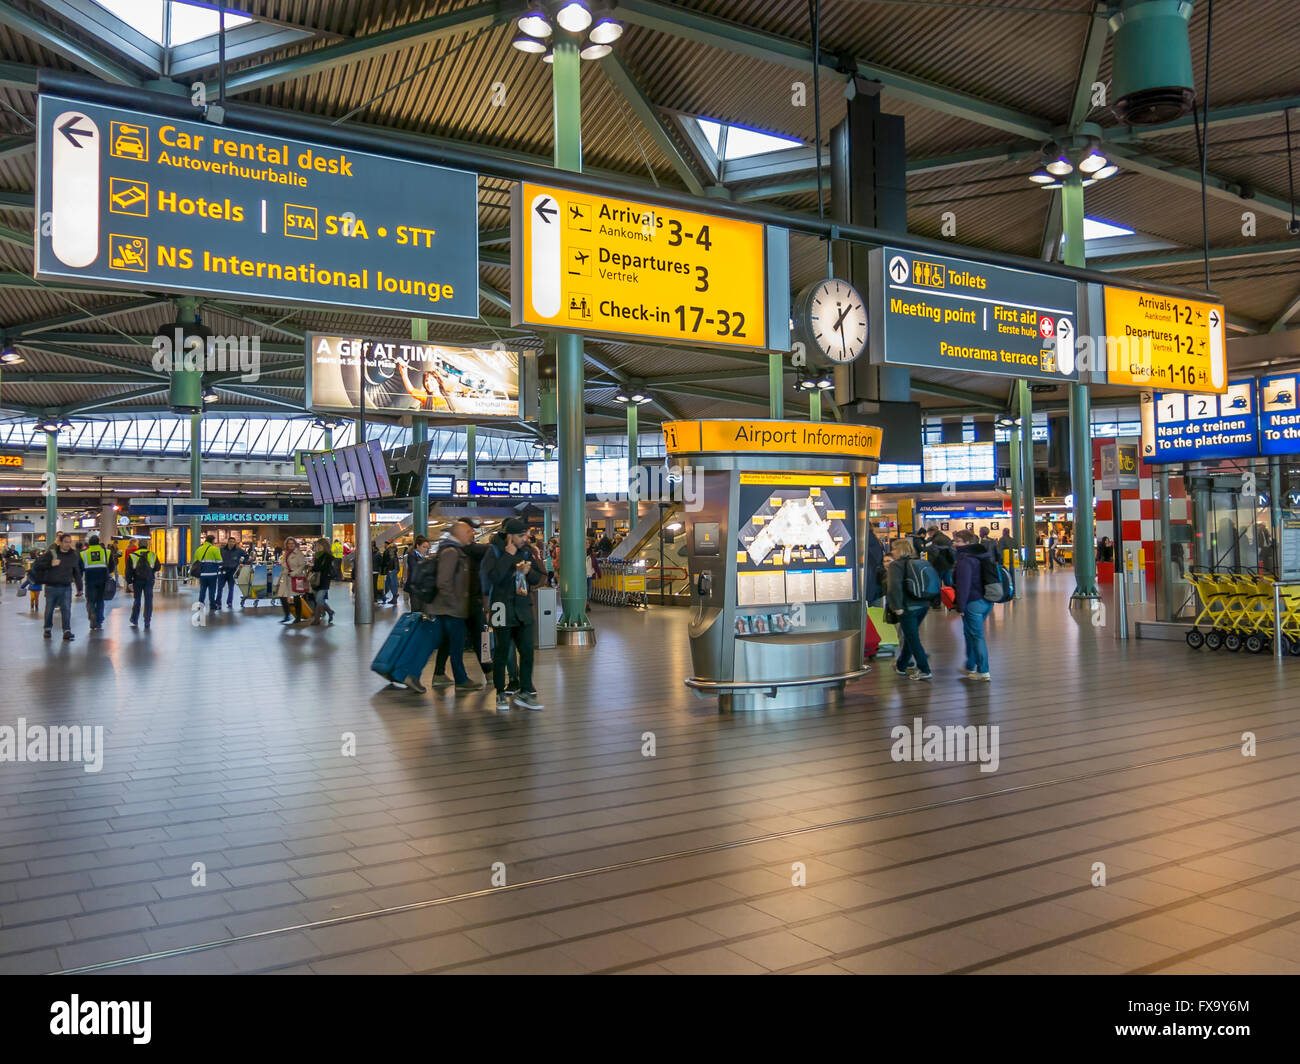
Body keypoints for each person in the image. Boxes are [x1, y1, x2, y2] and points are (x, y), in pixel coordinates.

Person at [413, 520, 483, 694]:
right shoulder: (451, 551)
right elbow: (444, 581)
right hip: (449, 609)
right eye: (469, 532)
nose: (472, 535)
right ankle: (460, 679)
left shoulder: (451, 549)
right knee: (456, 645)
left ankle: (425, 674)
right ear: (459, 532)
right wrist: (455, 603)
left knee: (441, 644)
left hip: (445, 608)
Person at [485, 518, 544, 711]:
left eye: (525, 535)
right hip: (502, 607)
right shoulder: (493, 551)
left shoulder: (526, 552)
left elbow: (538, 577)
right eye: (521, 536)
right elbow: (493, 578)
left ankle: (525, 690)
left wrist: (527, 572)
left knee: (527, 651)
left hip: (523, 608)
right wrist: (508, 557)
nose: (525, 539)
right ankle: (500, 692)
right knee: (502, 653)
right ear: (509, 536)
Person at [884, 539, 933, 681]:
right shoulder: (918, 563)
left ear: (899, 550)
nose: (892, 551)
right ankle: (901, 665)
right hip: (923, 605)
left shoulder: (896, 566)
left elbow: (894, 587)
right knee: (910, 637)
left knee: (912, 638)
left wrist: (897, 607)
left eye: (893, 549)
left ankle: (925, 669)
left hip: (907, 607)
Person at [952, 529, 993, 681]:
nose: (955, 544)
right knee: (971, 634)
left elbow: (964, 584)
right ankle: (970, 664)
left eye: (958, 541)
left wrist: (961, 607)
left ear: (967, 543)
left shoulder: (965, 559)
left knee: (976, 636)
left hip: (972, 602)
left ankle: (983, 670)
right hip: (986, 600)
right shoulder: (981, 555)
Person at [32, 531, 81, 640]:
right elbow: (37, 565)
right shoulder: (52, 553)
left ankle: (67, 631)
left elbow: (76, 571)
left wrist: (79, 587)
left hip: (66, 587)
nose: (68, 544)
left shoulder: (73, 555)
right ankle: (47, 629)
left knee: (66, 610)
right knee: (49, 610)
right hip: (51, 587)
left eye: (70, 542)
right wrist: (50, 564)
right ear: (60, 542)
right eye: (66, 542)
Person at [79, 534, 112, 632]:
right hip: (102, 578)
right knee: (100, 600)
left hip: (90, 578)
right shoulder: (107, 552)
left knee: (90, 600)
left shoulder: (83, 553)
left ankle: (92, 614)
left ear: (89, 543)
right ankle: (99, 620)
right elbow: (111, 566)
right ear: (98, 542)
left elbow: (80, 567)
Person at [127, 542, 161, 629]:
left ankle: (134, 619)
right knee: (148, 600)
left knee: (137, 600)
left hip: (137, 581)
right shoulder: (152, 555)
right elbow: (158, 567)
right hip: (149, 580)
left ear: (138, 546)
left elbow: (128, 570)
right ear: (147, 546)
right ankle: (147, 621)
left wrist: (129, 582)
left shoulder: (132, 556)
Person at [276, 537, 310, 623]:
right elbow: (283, 567)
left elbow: (302, 565)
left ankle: (298, 616)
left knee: (296, 596)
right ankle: (287, 614)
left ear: (295, 544)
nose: (291, 545)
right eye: (289, 544)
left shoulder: (298, 554)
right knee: (282, 595)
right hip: (285, 577)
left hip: (296, 577)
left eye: (292, 543)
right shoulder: (285, 554)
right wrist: (279, 580)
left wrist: (294, 573)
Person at [307, 538, 336, 626]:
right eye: (317, 546)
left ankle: (316, 619)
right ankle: (330, 612)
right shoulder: (316, 556)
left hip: (324, 581)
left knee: (319, 600)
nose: (318, 547)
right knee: (320, 600)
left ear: (325, 546)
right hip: (316, 581)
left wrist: (313, 567)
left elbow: (323, 569)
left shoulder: (328, 557)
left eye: (320, 546)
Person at [194, 532, 223, 611]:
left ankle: (200, 604)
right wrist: (220, 570)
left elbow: (195, 561)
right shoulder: (215, 549)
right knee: (212, 590)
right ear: (212, 541)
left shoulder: (199, 549)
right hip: (212, 574)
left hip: (202, 574)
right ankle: (212, 605)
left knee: (202, 589)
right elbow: (220, 561)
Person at [219, 535, 247, 609]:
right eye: (230, 542)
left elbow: (246, 556)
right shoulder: (222, 550)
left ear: (235, 543)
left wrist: (243, 563)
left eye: (233, 542)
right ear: (227, 542)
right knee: (220, 587)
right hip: (223, 570)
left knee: (231, 588)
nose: (232, 543)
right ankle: (218, 603)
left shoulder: (238, 550)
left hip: (233, 571)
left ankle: (229, 602)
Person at [404, 535, 431, 611]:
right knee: (416, 610)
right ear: (417, 546)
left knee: (423, 610)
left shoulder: (423, 556)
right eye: (424, 547)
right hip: (415, 587)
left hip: (422, 587)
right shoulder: (412, 555)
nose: (426, 549)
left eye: (427, 548)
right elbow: (414, 569)